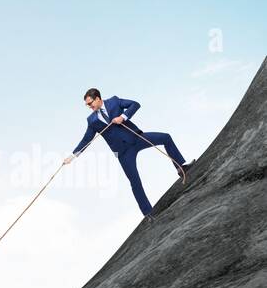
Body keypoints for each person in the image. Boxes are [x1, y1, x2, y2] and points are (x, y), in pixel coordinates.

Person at [64, 88, 190, 220]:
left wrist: (123, 117)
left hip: (136, 138)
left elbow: (135, 104)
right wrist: (73, 156)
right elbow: (86, 139)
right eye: (87, 104)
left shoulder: (114, 101)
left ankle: (181, 168)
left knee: (165, 138)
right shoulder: (92, 120)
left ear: (97, 98)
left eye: (90, 103)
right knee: (134, 180)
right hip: (123, 153)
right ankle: (148, 213)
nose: (89, 106)